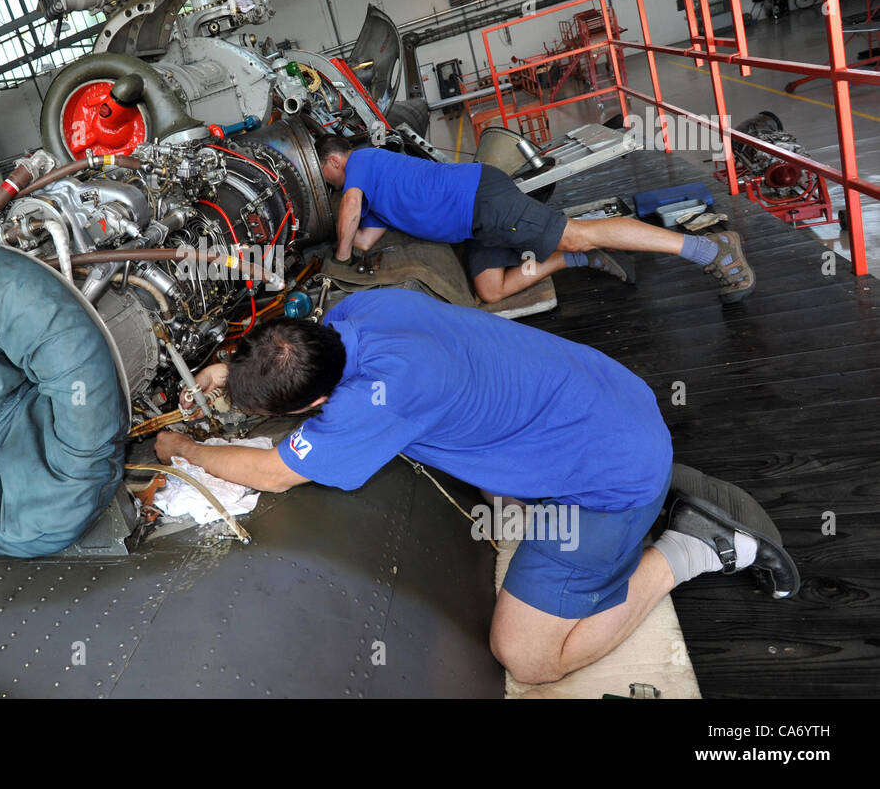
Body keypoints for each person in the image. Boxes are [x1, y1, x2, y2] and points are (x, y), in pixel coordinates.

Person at [154, 290, 798, 684]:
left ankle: (694, 542)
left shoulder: (370, 405)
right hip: (611, 397)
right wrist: (232, 372)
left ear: (318, 401)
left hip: (609, 478)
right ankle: (657, 487)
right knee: (510, 515)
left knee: (527, 659)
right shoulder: (363, 311)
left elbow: (270, 472)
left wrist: (181, 446)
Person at [316, 134, 755, 304]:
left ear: (335, 161)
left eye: (327, 176)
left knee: (577, 234)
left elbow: (349, 211)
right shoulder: (368, 193)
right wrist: (343, 258)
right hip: (473, 223)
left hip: (478, 200)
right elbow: (364, 238)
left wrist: (337, 254)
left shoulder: (361, 162)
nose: (333, 186)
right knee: (490, 290)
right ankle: (575, 261)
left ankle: (709, 248)